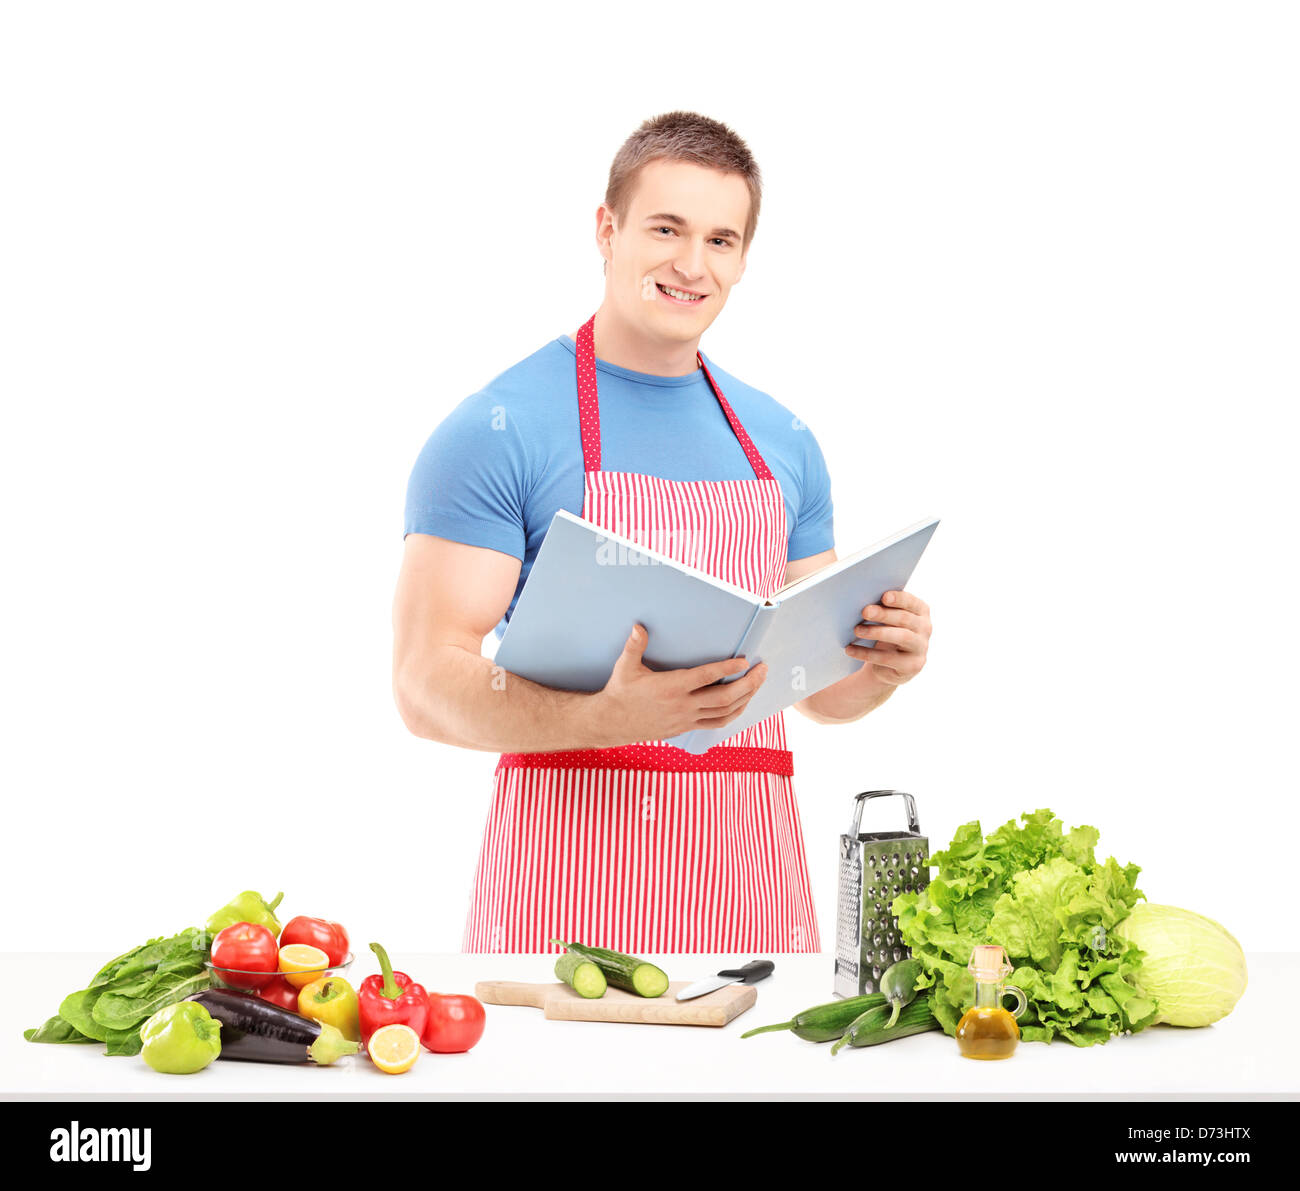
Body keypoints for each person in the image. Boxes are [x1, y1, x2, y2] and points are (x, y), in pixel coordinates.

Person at [393, 111, 933, 955]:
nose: (692, 264)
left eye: (721, 239)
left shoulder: (782, 440)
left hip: (752, 889)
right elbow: (423, 686)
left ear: (745, 259)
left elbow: (822, 691)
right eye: (666, 228)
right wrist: (605, 718)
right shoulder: (498, 428)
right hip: (563, 898)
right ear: (606, 231)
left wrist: (884, 664)